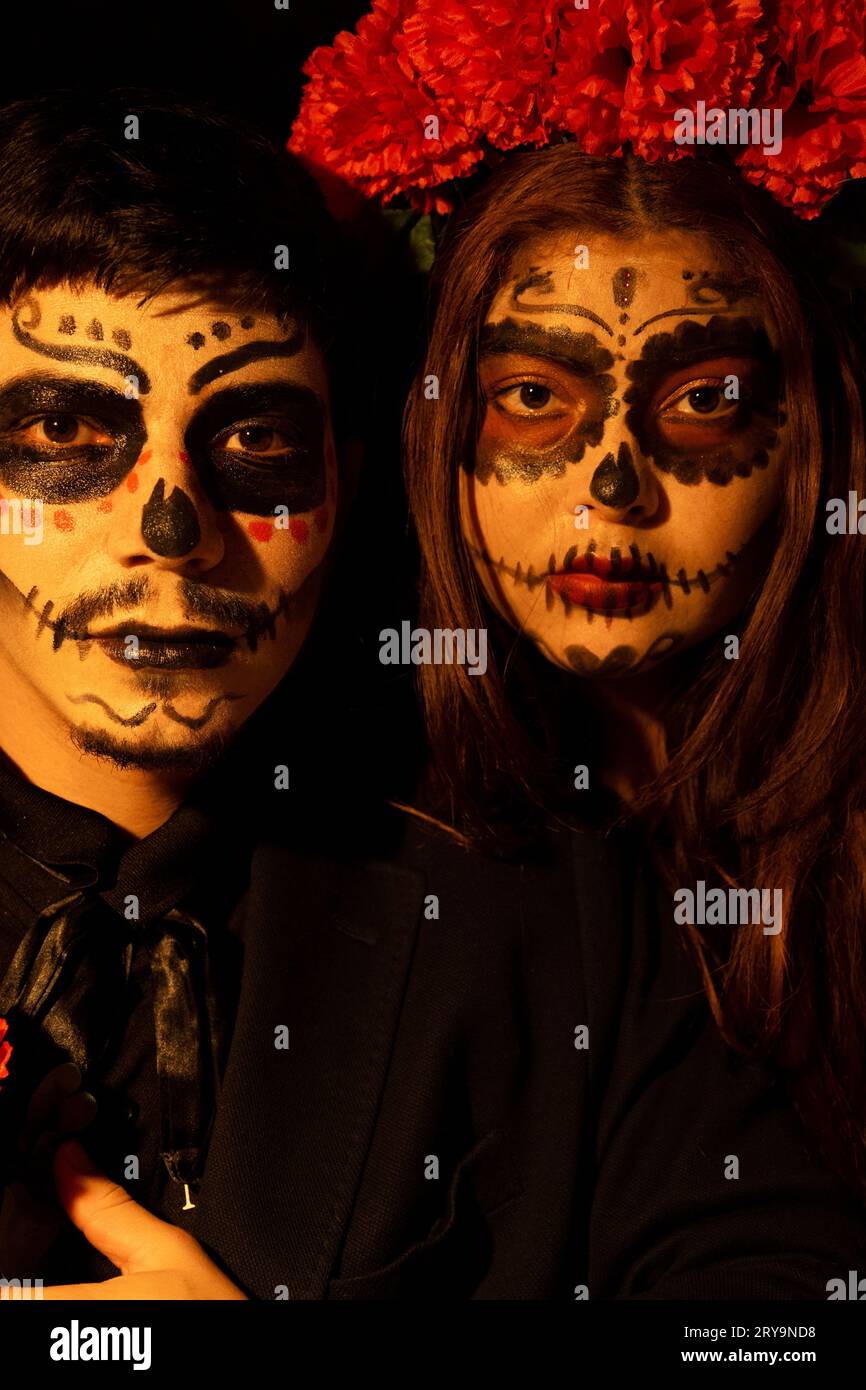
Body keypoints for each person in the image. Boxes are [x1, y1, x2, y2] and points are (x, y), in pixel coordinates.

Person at [290, 0, 866, 1296]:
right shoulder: (353, 823)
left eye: (702, 402)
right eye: (534, 398)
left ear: (810, 440)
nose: (609, 486)